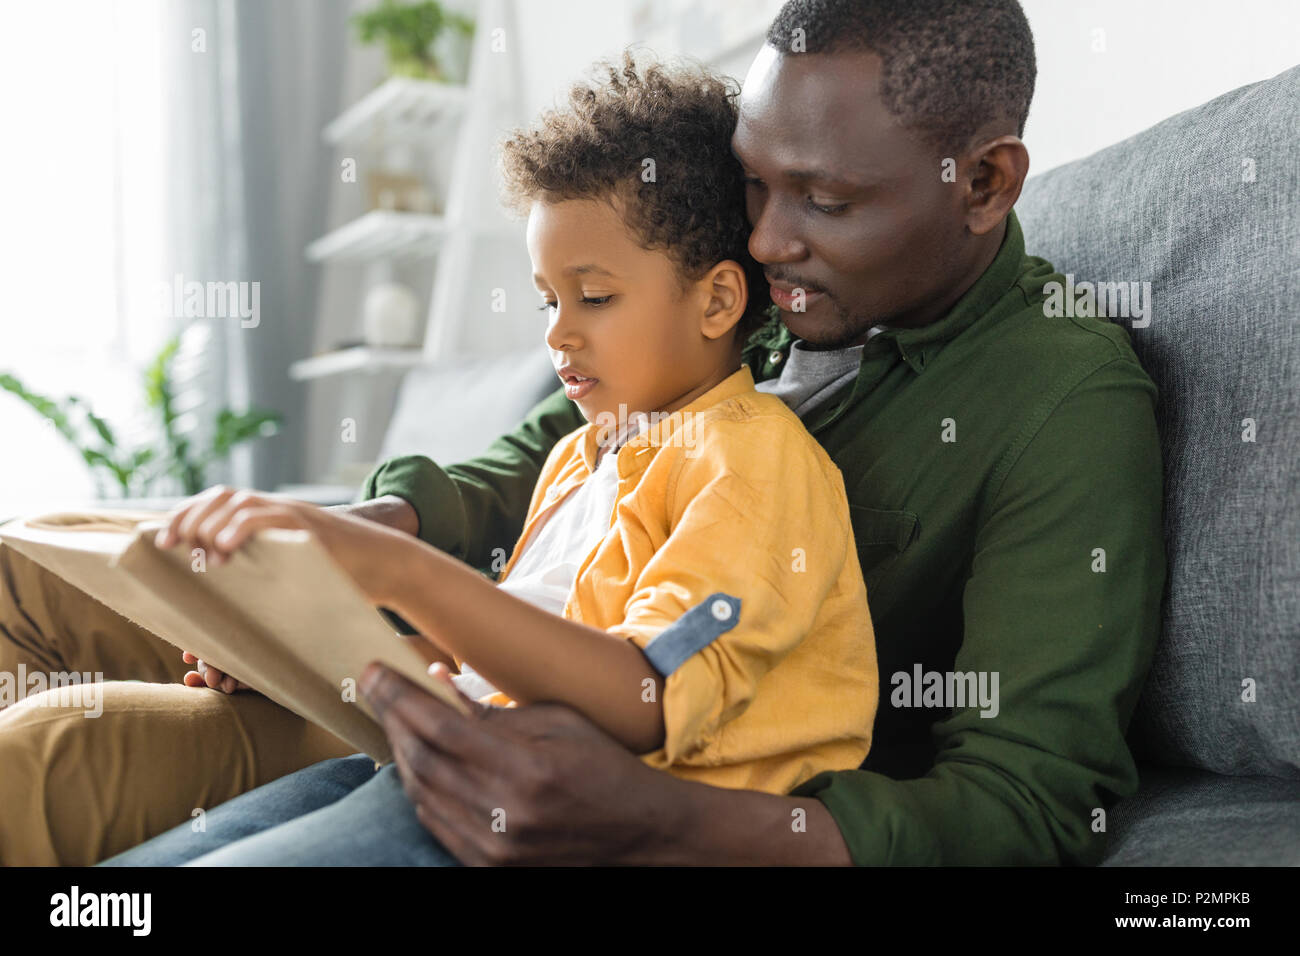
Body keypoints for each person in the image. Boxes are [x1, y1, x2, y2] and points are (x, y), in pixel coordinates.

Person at [14, 0, 1167, 867]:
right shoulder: (755, 305)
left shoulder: (1062, 400)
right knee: (31, 566)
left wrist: (674, 817)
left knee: (61, 757)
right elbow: (542, 457)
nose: (762, 243)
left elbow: (1030, 799)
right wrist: (342, 551)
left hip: (611, 755)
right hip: (453, 680)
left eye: (823, 199)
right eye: (753, 186)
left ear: (985, 182)